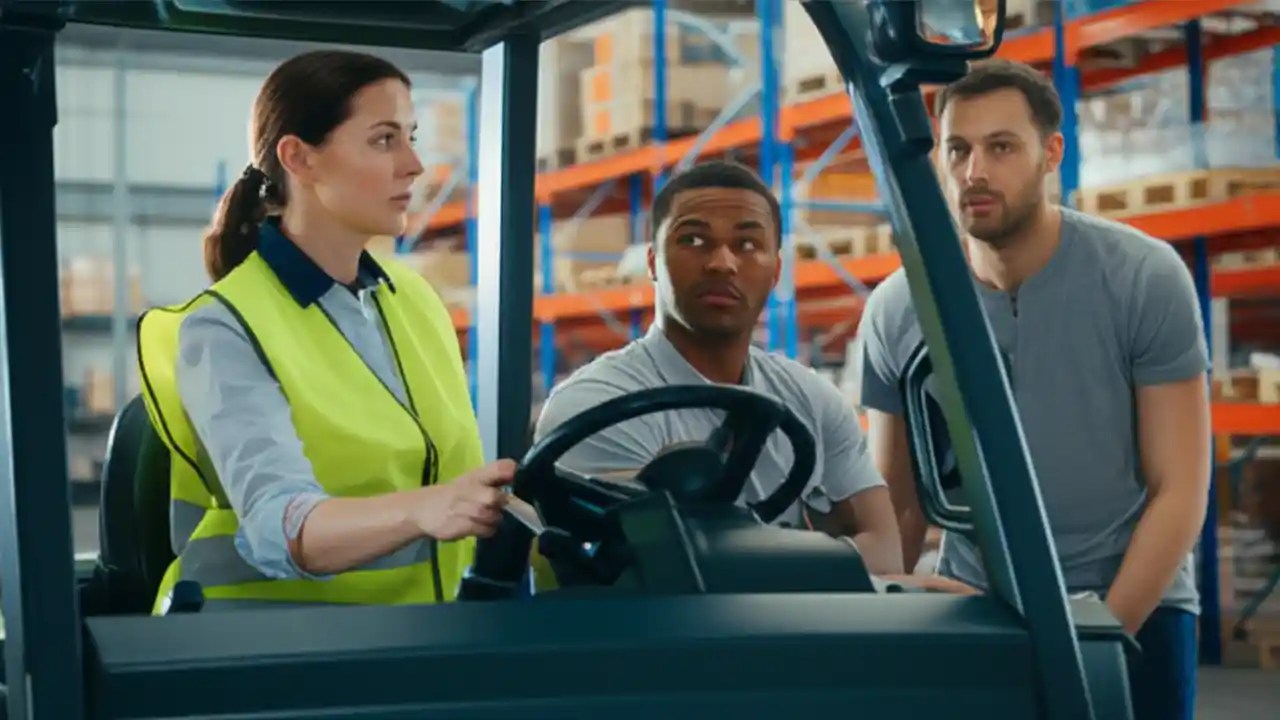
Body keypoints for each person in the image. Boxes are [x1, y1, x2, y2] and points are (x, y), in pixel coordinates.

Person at [852, 59, 1210, 719]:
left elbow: (1179, 489)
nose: (974, 172)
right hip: (974, 605)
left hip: (1138, 603)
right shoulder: (900, 309)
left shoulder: (1143, 277)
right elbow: (897, 501)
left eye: (1001, 147)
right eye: (957, 149)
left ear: (1051, 154)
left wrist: (1100, 637)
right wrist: (881, 622)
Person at [136, 50, 516, 614]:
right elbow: (275, 525)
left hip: (426, 643)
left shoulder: (412, 300)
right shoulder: (224, 328)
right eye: (384, 139)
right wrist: (426, 508)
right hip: (273, 661)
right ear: (299, 158)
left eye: (411, 137)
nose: (414, 164)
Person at [534, 161, 904, 576]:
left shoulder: (812, 399)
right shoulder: (595, 405)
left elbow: (885, 548)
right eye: (693, 240)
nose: (722, 263)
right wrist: (823, 557)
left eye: (747, 244)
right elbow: (664, 572)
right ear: (654, 262)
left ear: (776, 269)